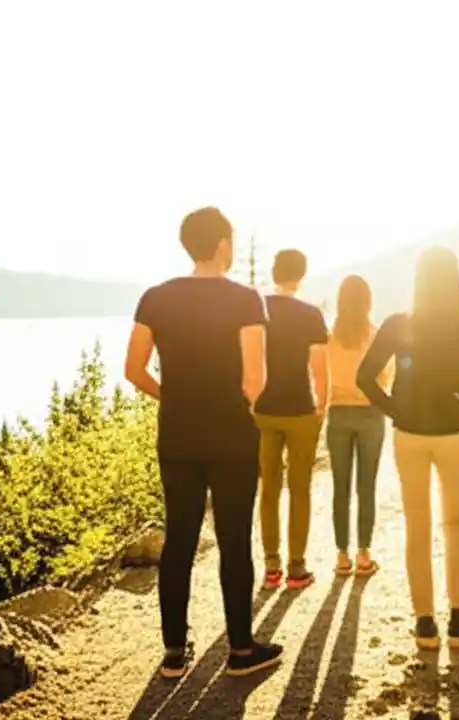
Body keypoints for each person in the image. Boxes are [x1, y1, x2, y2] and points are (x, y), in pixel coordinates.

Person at [124, 206, 283, 679]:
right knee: (235, 539)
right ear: (221, 244)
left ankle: (174, 652)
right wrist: (243, 405)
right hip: (232, 433)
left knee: (179, 539)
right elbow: (256, 378)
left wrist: (169, 395)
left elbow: (134, 370)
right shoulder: (246, 299)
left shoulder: (155, 297)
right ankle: (240, 650)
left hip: (177, 434)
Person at [357, 246, 459, 650]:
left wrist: (396, 408)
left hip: (409, 433)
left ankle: (425, 624)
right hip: (454, 433)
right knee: (455, 525)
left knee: (417, 525)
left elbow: (364, 378)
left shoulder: (398, 323)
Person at [253, 249, 329, 590]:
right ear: (301, 275)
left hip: (263, 411)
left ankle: (271, 566)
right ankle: (296, 567)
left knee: (268, 488)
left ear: (274, 272)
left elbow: (246, 361)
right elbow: (319, 369)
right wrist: (321, 408)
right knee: (300, 490)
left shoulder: (257, 310)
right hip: (301, 410)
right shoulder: (311, 314)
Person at [326, 274, 392, 577]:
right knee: (367, 486)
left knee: (340, 487)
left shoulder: (330, 337)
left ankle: (342, 556)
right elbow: (386, 377)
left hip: (338, 413)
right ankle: (364, 554)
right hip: (370, 415)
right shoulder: (376, 336)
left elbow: (322, 376)